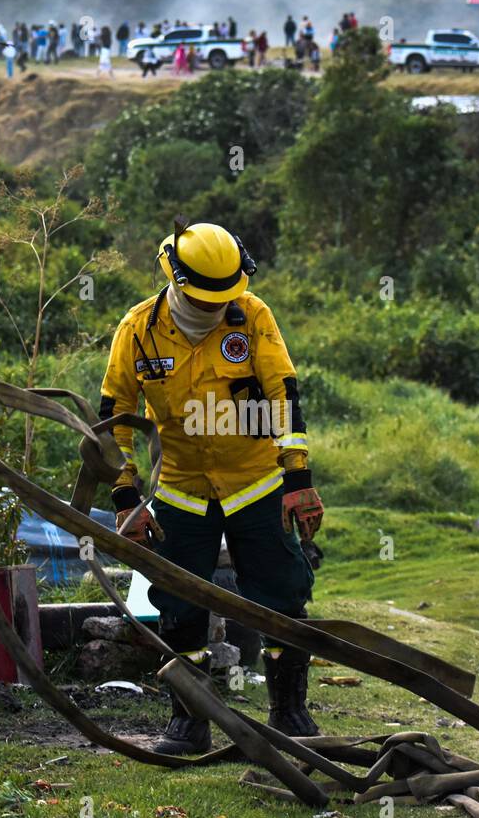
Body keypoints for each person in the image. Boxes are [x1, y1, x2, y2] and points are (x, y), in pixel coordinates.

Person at [100, 220, 324, 755]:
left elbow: (282, 393)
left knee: (283, 598)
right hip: (181, 490)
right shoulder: (139, 330)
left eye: (227, 297)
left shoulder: (254, 318)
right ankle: (188, 722)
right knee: (179, 605)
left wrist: (298, 476)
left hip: (257, 483)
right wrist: (126, 497)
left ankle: (290, 714)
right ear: (174, 278)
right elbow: (116, 417)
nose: (219, 307)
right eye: (207, 300)